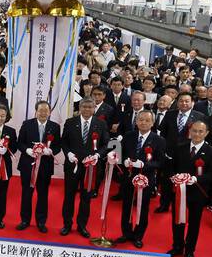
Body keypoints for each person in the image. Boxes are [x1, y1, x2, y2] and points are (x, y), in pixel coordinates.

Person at [168, 118, 212, 257]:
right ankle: (177, 246)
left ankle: (189, 250)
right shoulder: (180, 147)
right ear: (189, 131)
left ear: (206, 133)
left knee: (194, 223)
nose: (197, 134)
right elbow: (171, 167)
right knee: (177, 220)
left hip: (198, 193)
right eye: (194, 131)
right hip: (179, 192)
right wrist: (174, 177)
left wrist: (197, 179)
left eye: (201, 131)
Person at [115, 109, 165, 248]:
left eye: (147, 120)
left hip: (146, 179)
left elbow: (161, 162)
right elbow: (120, 154)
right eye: (141, 120)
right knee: (126, 206)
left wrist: (145, 164)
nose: (143, 123)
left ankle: (138, 236)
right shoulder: (128, 136)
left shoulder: (159, 140)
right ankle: (126, 233)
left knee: (143, 208)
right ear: (136, 121)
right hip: (128, 177)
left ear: (152, 123)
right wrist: (124, 161)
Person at [60, 98, 109, 238]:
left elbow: (106, 144)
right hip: (73, 165)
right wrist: (68, 153)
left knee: (86, 198)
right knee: (69, 196)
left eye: (90, 107)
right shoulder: (70, 122)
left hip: (91, 167)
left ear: (94, 109)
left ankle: (82, 226)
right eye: (84, 107)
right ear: (80, 108)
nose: (87, 109)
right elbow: (64, 141)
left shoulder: (101, 123)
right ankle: (67, 224)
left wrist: (98, 155)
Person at [15, 100, 61, 233]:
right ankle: (25, 220)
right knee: (26, 193)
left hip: (45, 166)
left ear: (50, 112)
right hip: (27, 165)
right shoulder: (27, 124)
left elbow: (58, 146)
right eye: (40, 110)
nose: (43, 113)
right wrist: (28, 150)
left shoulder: (55, 127)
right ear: (36, 111)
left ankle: (41, 221)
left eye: (46, 110)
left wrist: (50, 151)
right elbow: (19, 143)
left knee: (43, 194)